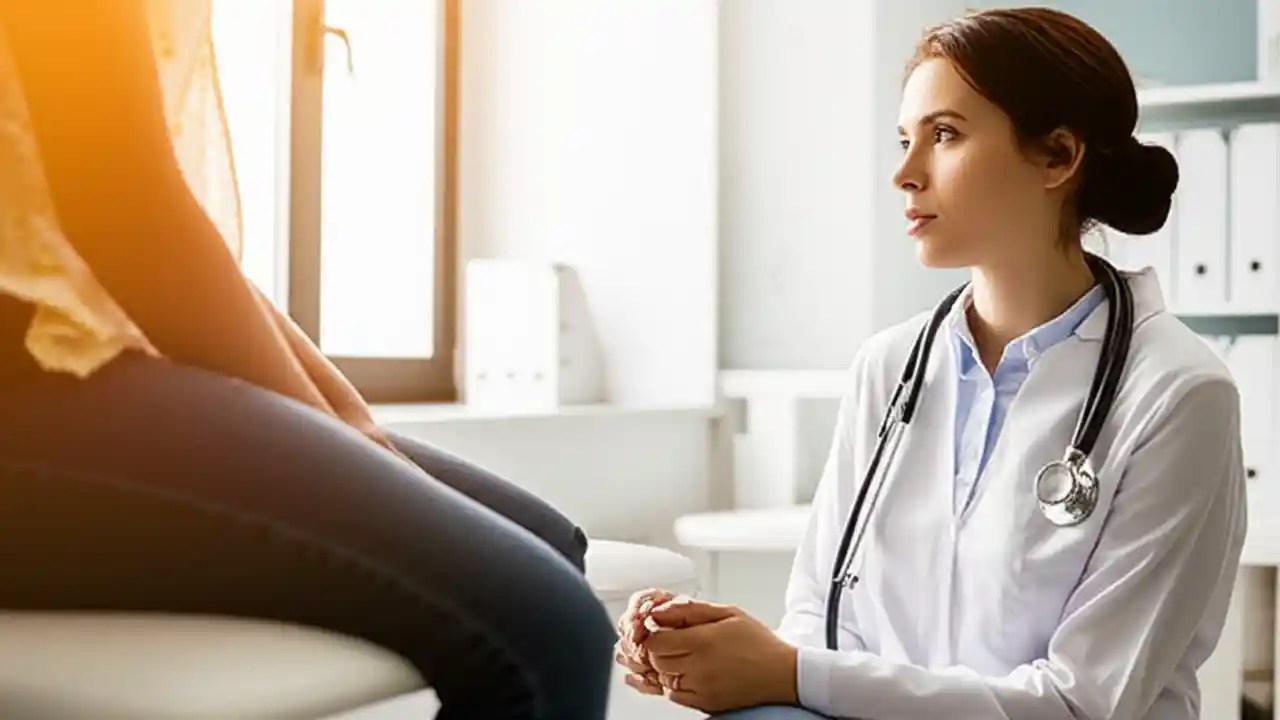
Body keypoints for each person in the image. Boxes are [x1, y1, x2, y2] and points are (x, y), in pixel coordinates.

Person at [615, 7, 1246, 719]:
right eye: (905, 140)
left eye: (944, 135)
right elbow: (821, 622)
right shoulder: (889, 366)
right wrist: (716, 653)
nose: (905, 174)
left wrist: (789, 673)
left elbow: (1081, 703)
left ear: (1058, 156)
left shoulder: (1178, 393)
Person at [0, 2, 615, 718]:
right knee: (553, 637)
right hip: (31, 387)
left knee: (554, 546)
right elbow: (126, 212)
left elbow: (185, 254)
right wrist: (345, 439)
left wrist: (354, 425)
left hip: (83, 359)